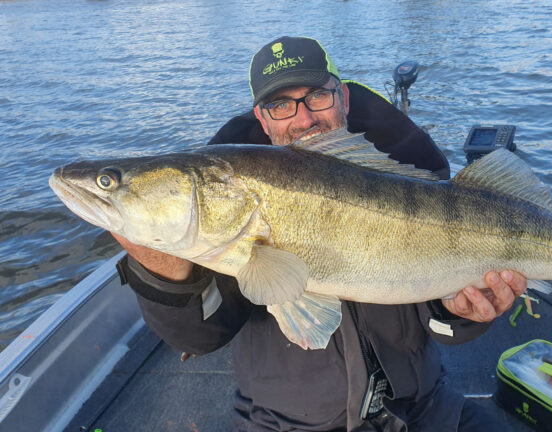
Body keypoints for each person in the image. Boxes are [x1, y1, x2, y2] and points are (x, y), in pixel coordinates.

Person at [112, 36, 526, 431]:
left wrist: (458, 313)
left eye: (318, 96)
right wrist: (160, 272)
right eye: (280, 105)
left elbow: (442, 320)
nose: (305, 118)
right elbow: (201, 336)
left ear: (342, 97)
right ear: (262, 117)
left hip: (426, 411)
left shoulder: (412, 175)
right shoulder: (224, 208)